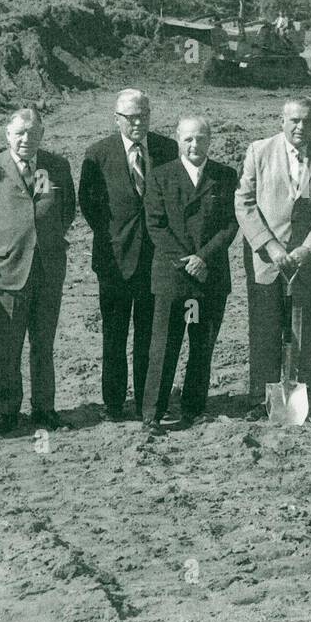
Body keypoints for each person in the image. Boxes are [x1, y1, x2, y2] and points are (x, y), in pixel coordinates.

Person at [0, 108, 77, 434]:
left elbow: (66, 209)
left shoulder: (57, 166)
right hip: (6, 272)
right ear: (7, 135)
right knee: (7, 347)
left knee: (44, 345)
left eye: (32, 132)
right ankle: (8, 412)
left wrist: (48, 240)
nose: (26, 139)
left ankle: (44, 410)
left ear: (42, 134)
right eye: (19, 133)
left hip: (48, 270)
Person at [235, 98, 311, 418]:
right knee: (266, 328)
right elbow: (244, 203)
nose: (300, 127)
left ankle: (300, 396)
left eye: (307, 121)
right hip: (267, 258)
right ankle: (261, 398)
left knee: (301, 330)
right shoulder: (259, 151)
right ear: (282, 120)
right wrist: (270, 245)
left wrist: (307, 249)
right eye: (294, 120)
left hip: (306, 260)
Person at [79, 90, 179, 421]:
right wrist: (116, 239)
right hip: (114, 260)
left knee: (149, 336)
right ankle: (112, 404)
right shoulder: (97, 154)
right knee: (114, 335)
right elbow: (90, 206)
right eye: (130, 117)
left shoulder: (167, 149)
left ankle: (145, 403)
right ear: (117, 118)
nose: (137, 122)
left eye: (143, 115)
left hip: (156, 259)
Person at [139, 117, 238, 434]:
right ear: (178, 140)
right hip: (173, 276)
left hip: (210, 276)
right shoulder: (160, 176)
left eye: (200, 139)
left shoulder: (225, 176)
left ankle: (194, 408)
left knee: (202, 345)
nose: (194, 146)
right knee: (165, 346)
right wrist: (186, 260)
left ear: (210, 140)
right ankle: (152, 413)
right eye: (188, 140)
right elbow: (156, 225)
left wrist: (203, 257)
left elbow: (230, 224)